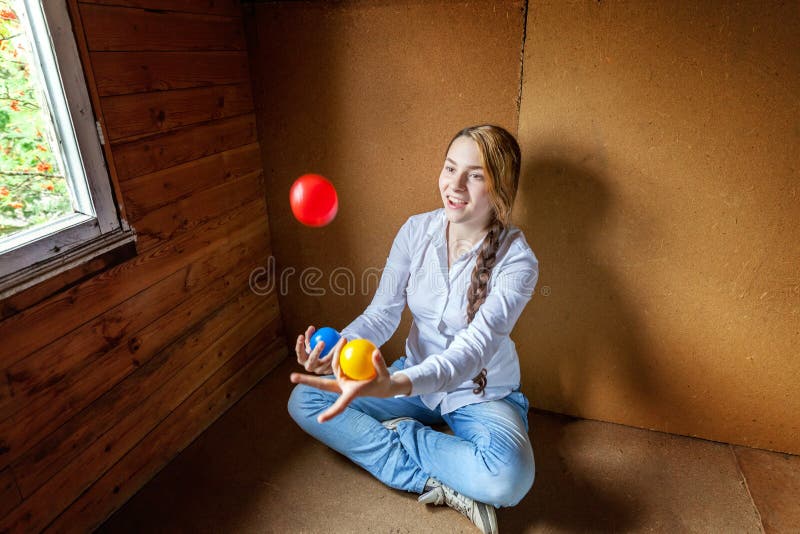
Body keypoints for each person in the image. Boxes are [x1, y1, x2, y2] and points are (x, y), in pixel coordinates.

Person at [288, 124, 539, 534]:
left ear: (501, 188)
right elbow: (382, 314)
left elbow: (472, 351)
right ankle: (430, 479)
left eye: (475, 175)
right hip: (411, 373)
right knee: (305, 401)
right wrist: (340, 350)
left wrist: (397, 385)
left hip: (479, 391)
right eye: (450, 168)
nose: (454, 185)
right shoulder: (415, 230)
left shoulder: (518, 262)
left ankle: (404, 434)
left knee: (508, 479)